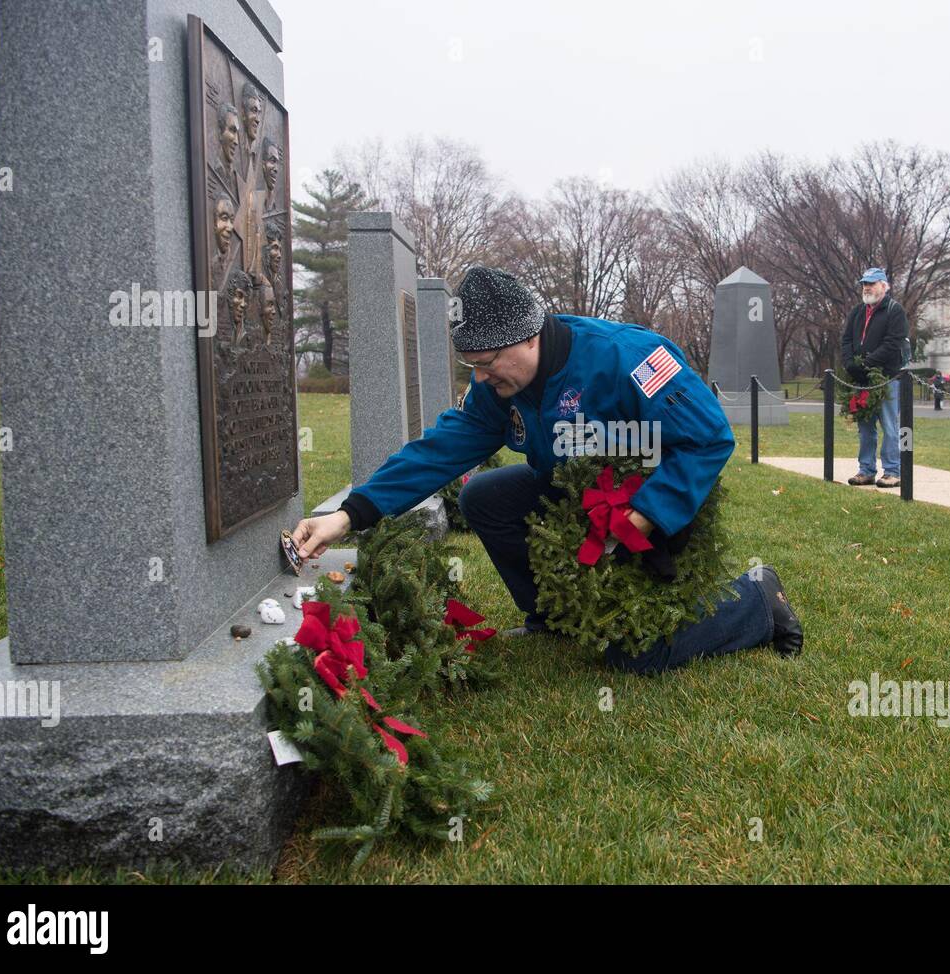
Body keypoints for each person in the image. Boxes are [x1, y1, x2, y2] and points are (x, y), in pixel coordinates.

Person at [289, 266, 804, 674]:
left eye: (488, 361)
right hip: (575, 496)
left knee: (635, 654)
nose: (481, 377)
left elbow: (709, 438)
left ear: (529, 337)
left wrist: (642, 516)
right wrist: (348, 515)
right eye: (472, 365)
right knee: (484, 497)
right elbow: (438, 451)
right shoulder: (498, 388)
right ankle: (555, 617)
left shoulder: (629, 358)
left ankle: (756, 598)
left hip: (656, 506)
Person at [841, 267, 908, 488]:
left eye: (871, 283)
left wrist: (868, 364)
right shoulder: (857, 312)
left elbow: (893, 342)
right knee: (865, 426)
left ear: (883, 285)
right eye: (864, 284)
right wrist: (851, 364)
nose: (866, 287)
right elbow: (847, 340)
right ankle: (866, 470)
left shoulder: (894, 310)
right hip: (862, 381)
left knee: (890, 425)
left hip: (887, 378)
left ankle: (893, 471)